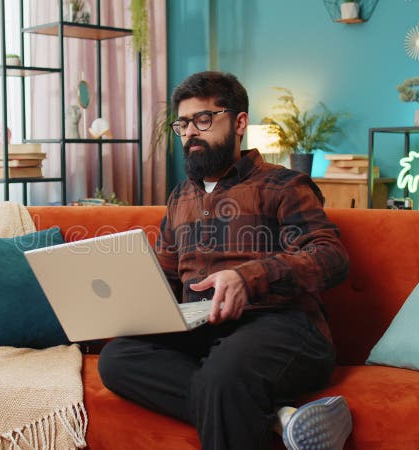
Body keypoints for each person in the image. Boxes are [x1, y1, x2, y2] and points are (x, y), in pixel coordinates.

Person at [98, 71, 352, 450]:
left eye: (203, 120)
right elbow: (166, 278)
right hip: (204, 329)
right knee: (118, 357)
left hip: (282, 325)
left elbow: (330, 256)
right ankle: (281, 421)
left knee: (223, 374)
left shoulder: (283, 185)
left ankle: (252, 407)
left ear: (239, 123)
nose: (190, 133)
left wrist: (248, 278)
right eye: (182, 124)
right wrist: (124, 302)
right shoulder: (180, 197)